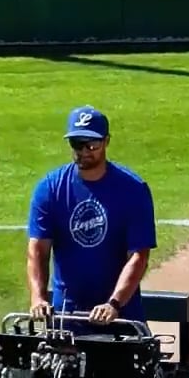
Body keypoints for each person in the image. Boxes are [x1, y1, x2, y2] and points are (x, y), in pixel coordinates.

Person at [27, 105, 155, 324]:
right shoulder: (50, 188)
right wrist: (38, 297)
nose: (85, 151)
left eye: (92, 144)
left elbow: (138, 256)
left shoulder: (133, 189)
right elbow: (38, 249)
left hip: (121, 316)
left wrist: (114, 303)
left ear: (107, 141)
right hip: (67, 315)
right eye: (77, 144)